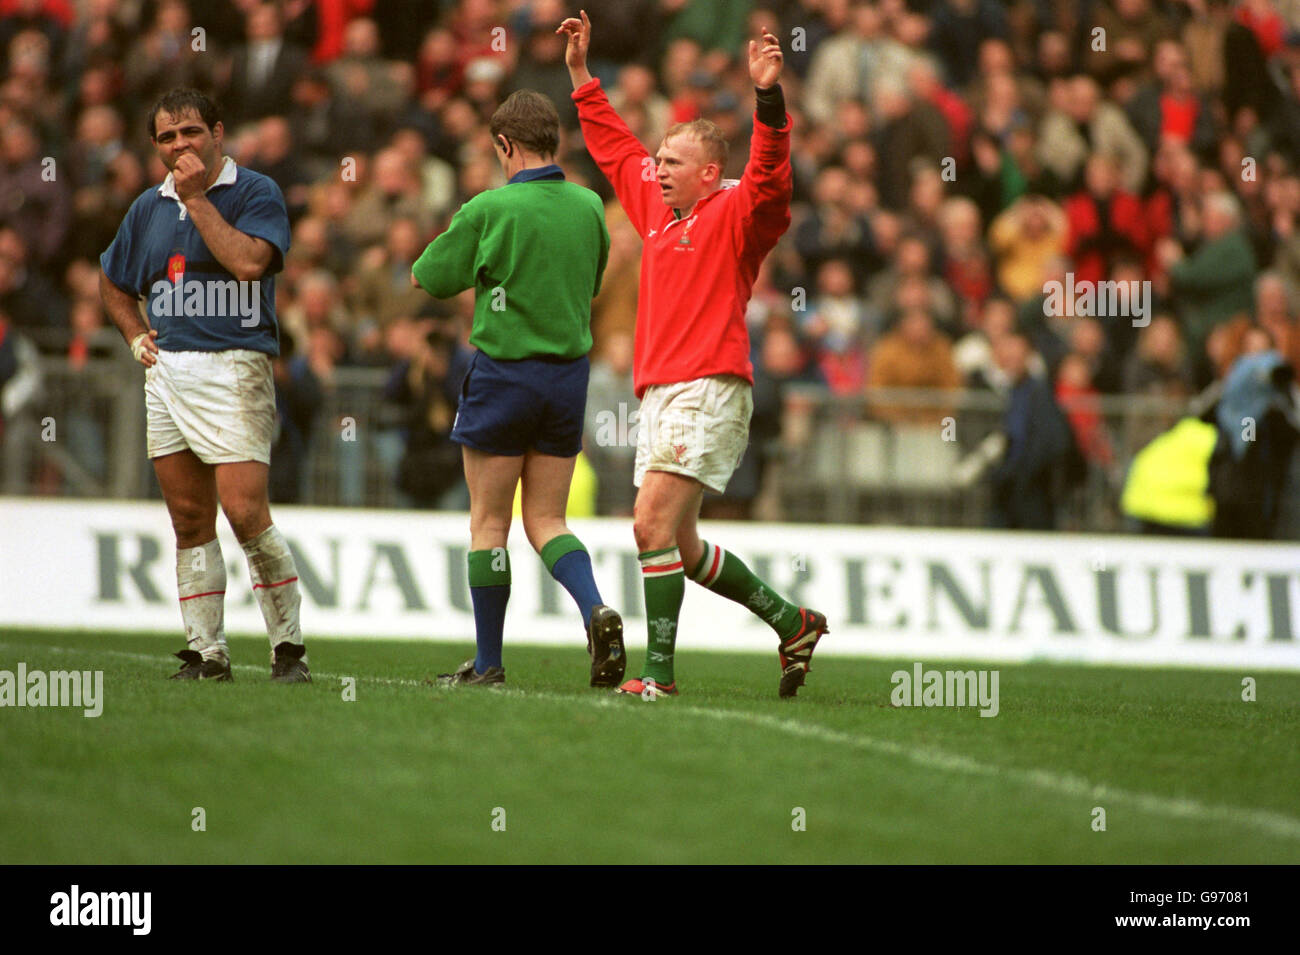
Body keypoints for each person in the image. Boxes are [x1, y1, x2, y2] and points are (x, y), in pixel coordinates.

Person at [558, 12, 828, 700]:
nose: (657, 169)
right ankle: (791, 621)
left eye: (672, 162)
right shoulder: (653, 203)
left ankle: (660, 676)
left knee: (647, 522)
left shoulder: (741, 212)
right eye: (660, 160)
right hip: (660, 391)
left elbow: (770, 170)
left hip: (710, 383)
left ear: (710, 173)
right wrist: (582, 76)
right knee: (679, 545)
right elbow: (615, 146)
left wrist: (769, 98)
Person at [410, 89, 624, 688]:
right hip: (567, 380)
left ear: (505, 144)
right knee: (549, 520)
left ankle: (488, 662)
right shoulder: (589, 207)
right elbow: (592, 283)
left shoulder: (489, 208)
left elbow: (426, 277)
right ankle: (596, 610)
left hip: (504, 375)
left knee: (488, 525)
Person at [98, 88, 308, 683]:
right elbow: (111, 280)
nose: (179, 146)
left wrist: (195, 199)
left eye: (189, 132)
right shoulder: (147, 207)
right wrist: (135, 333)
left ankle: (288, 648)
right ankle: (207, 652)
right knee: (189, 519)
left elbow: (247, 263)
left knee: (245, 513)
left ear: (217, 132)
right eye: (166, 138)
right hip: (167, 372)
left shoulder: (255, 191)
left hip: (235, 365)